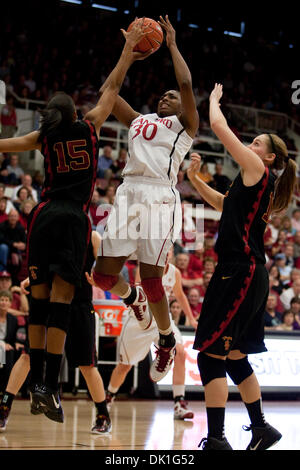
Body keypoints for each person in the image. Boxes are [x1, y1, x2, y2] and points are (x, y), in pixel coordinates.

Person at [0, 21, 151, 423]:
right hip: (71, 220)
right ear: (75, 112)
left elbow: (3, 143)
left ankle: (37, 390)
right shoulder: (89, 125)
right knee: (63, 305)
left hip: (41, 218)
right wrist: (128, 52)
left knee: (40, 304)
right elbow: (111, 90)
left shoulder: (44, 137)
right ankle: (48, 384)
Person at [187, 83, 297, 450]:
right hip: (250, 273)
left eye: (257, 144)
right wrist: (193, 180)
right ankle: (262, 428)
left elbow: (219, 129)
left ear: (267, 157)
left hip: (239, 271)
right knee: (235, 357)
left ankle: (217, 439)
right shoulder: (252, 181)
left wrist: (214, 102)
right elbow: (223, 203)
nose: (250, 146)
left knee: (209, 356)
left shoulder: (256, 169)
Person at [92, 15, 199, 382]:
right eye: (163, 94)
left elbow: (185, 81)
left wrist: (170, 44)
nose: (166, 96)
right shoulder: (138, 120)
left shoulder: (185, 127)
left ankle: (166, 339)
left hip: (158, 195)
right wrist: (127, 53)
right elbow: (107, 93)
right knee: (103, 276)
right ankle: (131, 299)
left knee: (153, 278)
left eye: (172, 96)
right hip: (127, 192)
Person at [0, 231, 112, 434]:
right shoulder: (52, 229)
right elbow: (43, 265)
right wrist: (30, 279)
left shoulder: (93, 236)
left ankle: (103, 414)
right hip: (51, 302)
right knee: (27, 357)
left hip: (79, 306)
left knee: (88, 365)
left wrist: (101, 279)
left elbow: (109, 268)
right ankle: (4, 407)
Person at [104, 258, 197, 419]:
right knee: (125, 366)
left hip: (162, 319)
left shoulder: (174, 272)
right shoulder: (146, 266)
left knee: (180, 352)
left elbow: (180, 296)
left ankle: (178, 402)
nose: (166, 255)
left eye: (169, 251)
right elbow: (139, 293)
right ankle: (109, 396)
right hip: (139, 319)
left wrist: (192, 318)